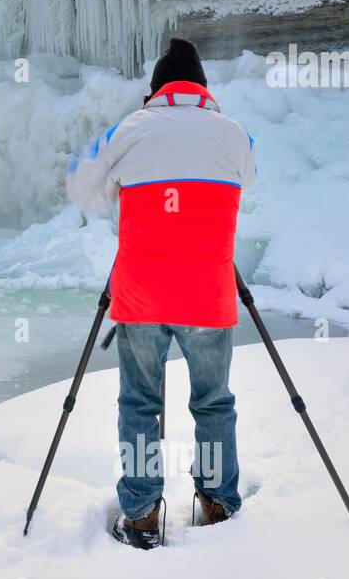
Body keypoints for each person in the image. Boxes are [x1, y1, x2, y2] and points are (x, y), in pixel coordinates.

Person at [65, 37, 256, 550]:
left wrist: (119, 186)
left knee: (139, 404)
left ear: (156, 90)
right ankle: (217, 506)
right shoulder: (235, 135)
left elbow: (81, 185)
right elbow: (246, 179)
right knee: (214, 404)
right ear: (202, 88)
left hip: (143, 293)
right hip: (207, 296)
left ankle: (144, 515)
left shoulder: (130, 130)